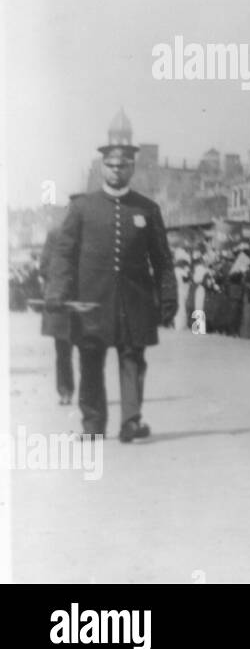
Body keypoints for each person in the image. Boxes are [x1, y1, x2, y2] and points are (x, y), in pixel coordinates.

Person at [44, 141, 177, 440]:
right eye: (111, 165)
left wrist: (168, 295)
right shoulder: (82, 207)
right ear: (102, 167)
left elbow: (162, 259)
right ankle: (92, 425)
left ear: (132, 168)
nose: (117, 171)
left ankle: (130, 421)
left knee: (133, 359)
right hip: (91, 301)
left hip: (135, 301)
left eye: (123, 165)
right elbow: (64, 254)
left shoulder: (148, 209)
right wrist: (58, 292)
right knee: (90, 361)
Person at [40, 201, 82, 405]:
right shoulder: (57, 234)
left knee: (67, 351)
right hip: (67, 302)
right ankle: (69, 391)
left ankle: (67, 391)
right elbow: (44, 267)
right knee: (69, 350)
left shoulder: (58, 233)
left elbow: (43, 267)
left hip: (72, 301)